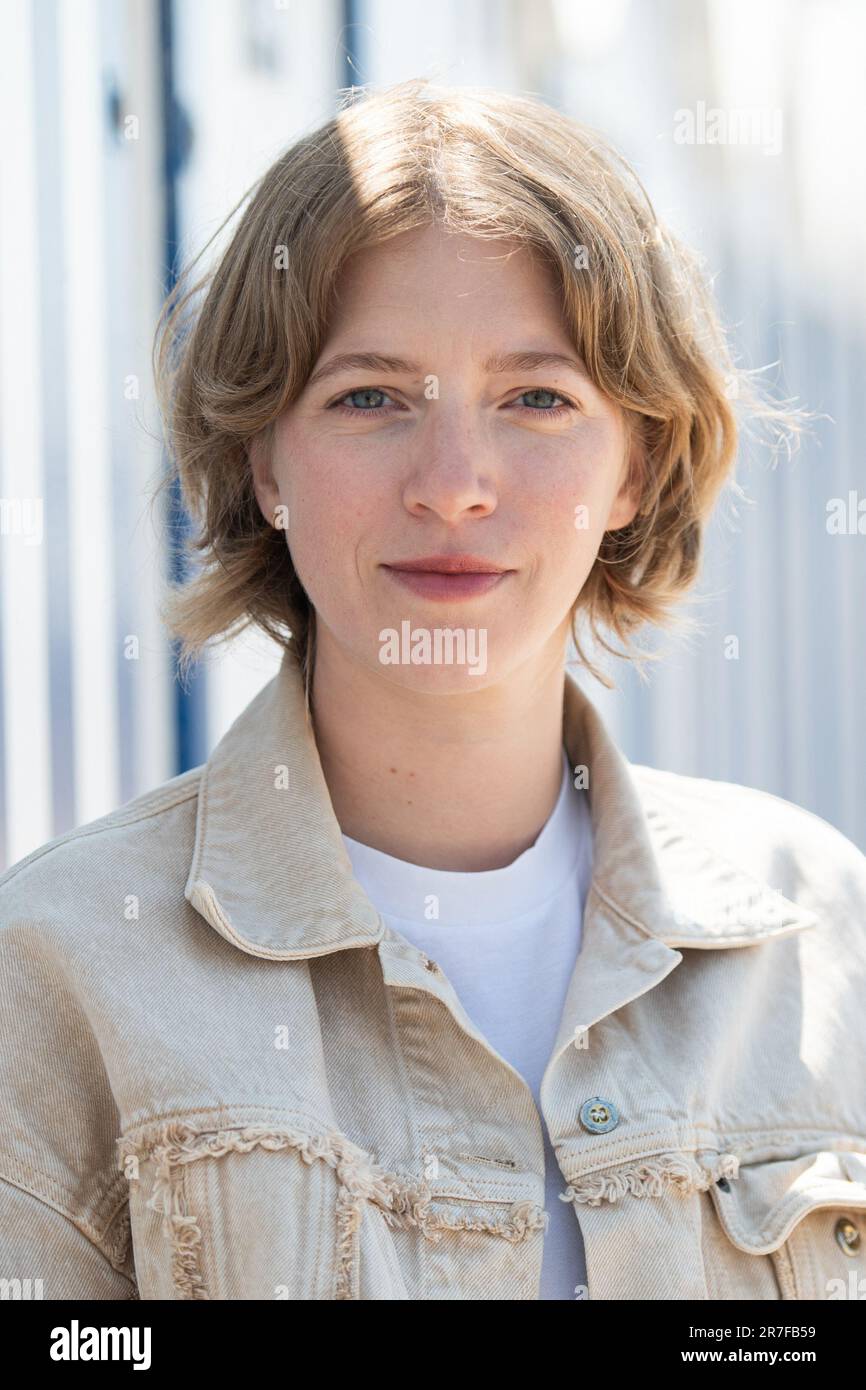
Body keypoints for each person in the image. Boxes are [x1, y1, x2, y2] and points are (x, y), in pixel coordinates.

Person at [1, 78, 864, 1303]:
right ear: (263, 459)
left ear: (636, 462)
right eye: (369, 397)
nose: (454, 482)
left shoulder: (817, 936)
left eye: (536, 399)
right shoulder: (59, 968)